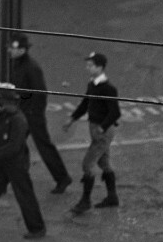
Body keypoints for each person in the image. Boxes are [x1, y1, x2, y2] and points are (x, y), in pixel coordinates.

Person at [7, 35, 73, 194]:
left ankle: (62, 177)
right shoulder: (18, 64)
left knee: (43, 146)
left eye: (12, 48)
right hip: (23, 111)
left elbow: (40, 93)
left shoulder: (31, 67)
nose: (9, 50)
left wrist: (33, 112)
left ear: (22, 50)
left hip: (31, 113)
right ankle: (13, 176)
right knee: (15, 144)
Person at [0, 83, 46, 238]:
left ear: (4, 100)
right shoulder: (3, 113)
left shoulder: (18, 120)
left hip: (16, 164)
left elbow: (14, 147)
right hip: (1, 163)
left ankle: (37, 228)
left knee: (25, 195)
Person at [65, 52, 120, 214]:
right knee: (103, 163)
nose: (87, 68)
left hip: (102, 131)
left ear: (100, 67)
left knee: (87, 164)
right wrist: (72, 119)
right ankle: (112, 197)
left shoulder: (108, 88)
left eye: (91, 65)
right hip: (95, 128)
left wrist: (102, 128)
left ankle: (85, 201)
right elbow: (85, 104)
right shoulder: (93, 84)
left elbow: (114, 112)